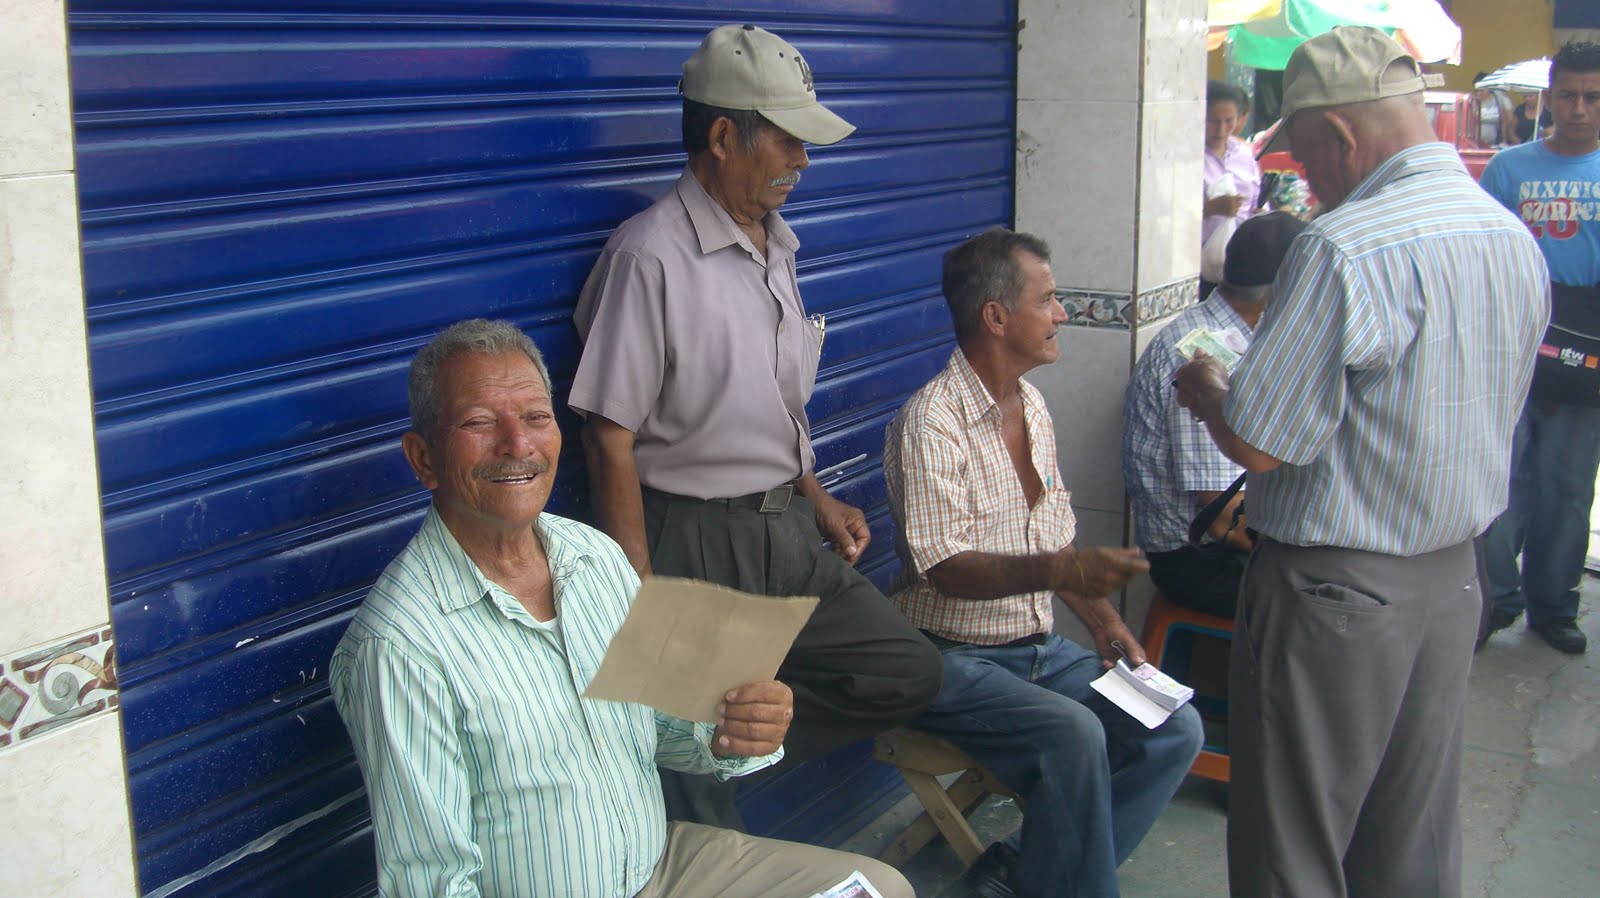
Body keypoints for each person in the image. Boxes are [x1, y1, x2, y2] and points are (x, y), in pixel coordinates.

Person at [329, 319, 914, 898]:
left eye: (536, 417)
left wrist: (731, 729)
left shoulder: (596, 557)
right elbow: (431, 884)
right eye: (480, 423)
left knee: (879, 889)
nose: (518, 444)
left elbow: (662, 727)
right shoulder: (399, 646)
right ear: (423, 459)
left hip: (663, 865)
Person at [1172, 27, 1547, 898]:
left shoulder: (1345, 245)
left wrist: (1208, 385)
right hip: (1454, 581)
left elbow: (1260, 440)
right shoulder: (1505, 232)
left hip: (1337, 593)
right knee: (1409, 837)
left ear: (1339, 137)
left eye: (1304, 156)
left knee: (1292, 845)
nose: (1304, 178)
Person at [569, 23, 942, 828]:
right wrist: (635, 594)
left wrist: (816, 493)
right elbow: (609, 440)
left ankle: (733, 742)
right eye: (787, 140)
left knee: (903, 669)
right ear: (721, 137)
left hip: (784, 535)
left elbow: (765, 405)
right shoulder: (650, 258)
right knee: (702, 810)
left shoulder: (776, 245)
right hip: (692, 541)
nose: (803, 160)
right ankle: (698, 757)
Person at [884, 228, 1204, 898]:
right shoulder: (930, 422)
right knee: (1075, 735)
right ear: (996, 318)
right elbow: (945, 567)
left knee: (1173, 727)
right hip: (948, 658)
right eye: (1049, 300)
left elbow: (1055, 543)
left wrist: (1104, 621)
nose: (1063, 314)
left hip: (1037, 653)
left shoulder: (1032, 405)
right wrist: (1059, 576)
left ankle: (1027, 870)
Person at [1478, 41, 1600, 655]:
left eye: (1592, 96)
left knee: (1568, 490)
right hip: (1512, 350)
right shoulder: (1507, 171)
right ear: (1547, 97)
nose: (1578, 109)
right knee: (1497, 485)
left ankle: (1554, 607)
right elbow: (1484, 261)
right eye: (1567, 95)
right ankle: (1496, 600)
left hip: (1589, 359)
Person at [1123, 212, 1307, 618]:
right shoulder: (1198, 351)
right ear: (1282, 291)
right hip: (1196, 558)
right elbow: (1223, 516)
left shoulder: (1245, 337)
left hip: (1226, 539)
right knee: (1324, 605)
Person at [1201, 80, 1263, 296]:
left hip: (1240, 263)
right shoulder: (1187, 158)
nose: (1221, 129)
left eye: (1229, 121)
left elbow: (1254, 202)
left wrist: (1260, 215)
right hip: (1198, 265)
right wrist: (1211, 208)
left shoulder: (1244, 155)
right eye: (1212, 121)